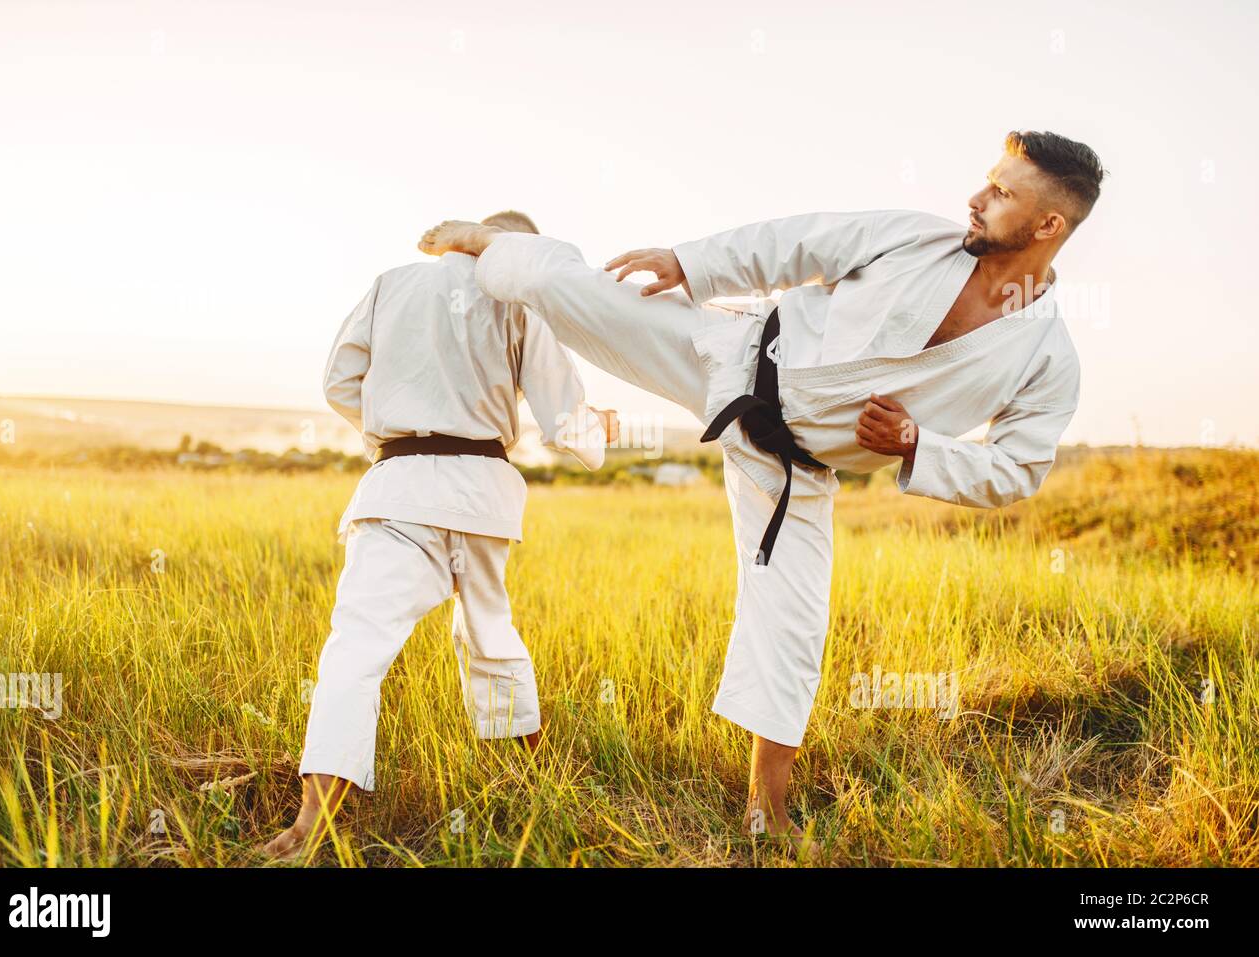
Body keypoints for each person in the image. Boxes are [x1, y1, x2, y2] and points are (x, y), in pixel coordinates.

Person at [417, 131, 1103, 850]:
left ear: (1049, 225)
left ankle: (764, 812)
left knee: (795, 628)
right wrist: (690, 262)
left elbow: (1020, 469)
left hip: (795, 468)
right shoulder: (912, 238)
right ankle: (494, 242)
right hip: (730, 359)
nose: (976, 197)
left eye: (1001, 193)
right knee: (559, 287)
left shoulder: (1045, 355)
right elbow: (797, 242)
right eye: (986, 181)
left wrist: (918, 448)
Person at [262, 210, 615, 859]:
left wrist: (399, 425)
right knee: (491, 635)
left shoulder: (392, 284)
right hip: (482, 491)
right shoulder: (520, 301)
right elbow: (565, 421)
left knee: (356, 649)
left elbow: (339, 381)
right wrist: (604, 430)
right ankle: (536, 785)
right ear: (514, 252)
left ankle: (311, 823)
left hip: (397, 486)